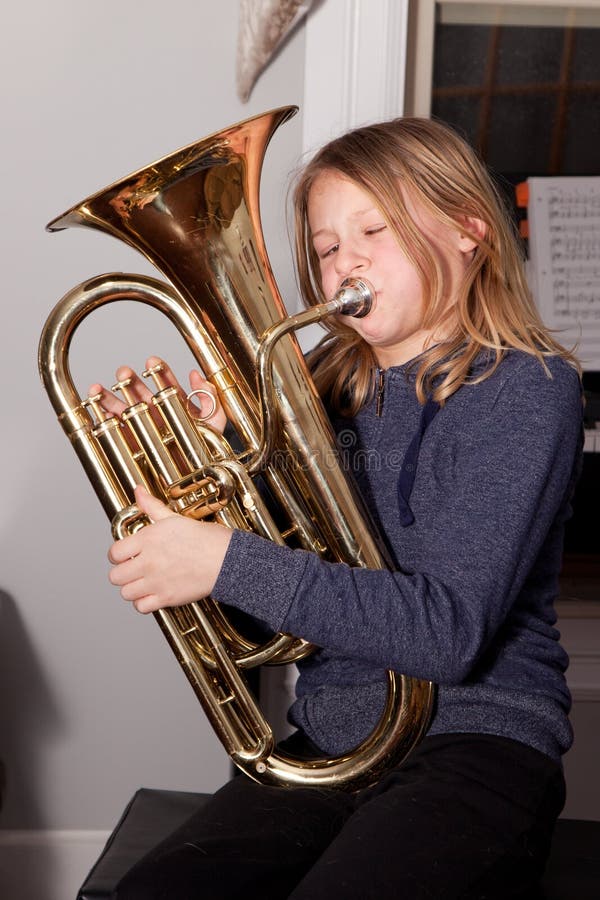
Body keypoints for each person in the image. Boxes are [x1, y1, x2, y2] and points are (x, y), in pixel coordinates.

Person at [91, 117, 583, 899]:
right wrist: (210, 505)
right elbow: (272, 633)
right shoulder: (312, 395)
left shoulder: (525, 390)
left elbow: (445, 632)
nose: (344, 260)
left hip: (478, 743)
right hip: (332, 739)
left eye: (373, 230)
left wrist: (226, 558)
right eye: (324, 248)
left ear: (469, 231)